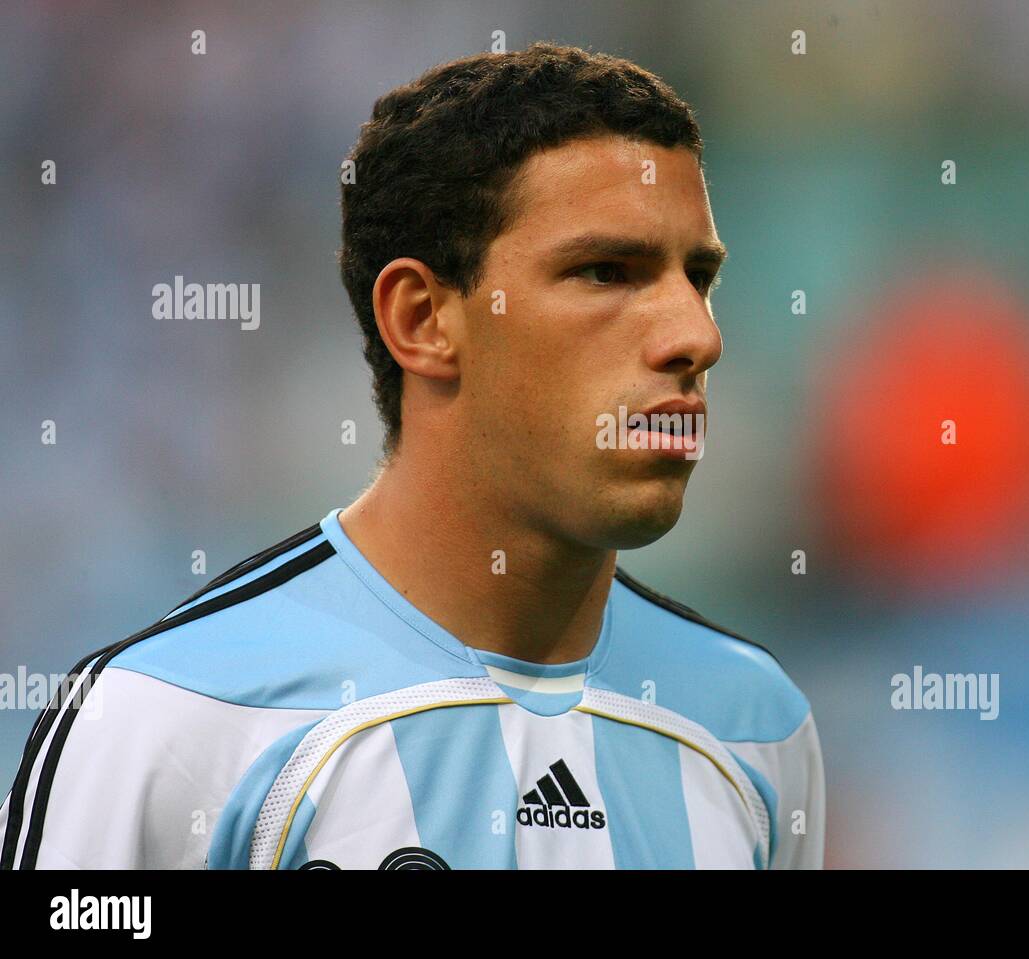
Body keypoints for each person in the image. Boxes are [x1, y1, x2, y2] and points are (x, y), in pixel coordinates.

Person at [1, 42, 823, 870]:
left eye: (699, 278)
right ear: (423, 319)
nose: (698, 336)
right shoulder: (165, 718)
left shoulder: (757, 724)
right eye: (607, 271)